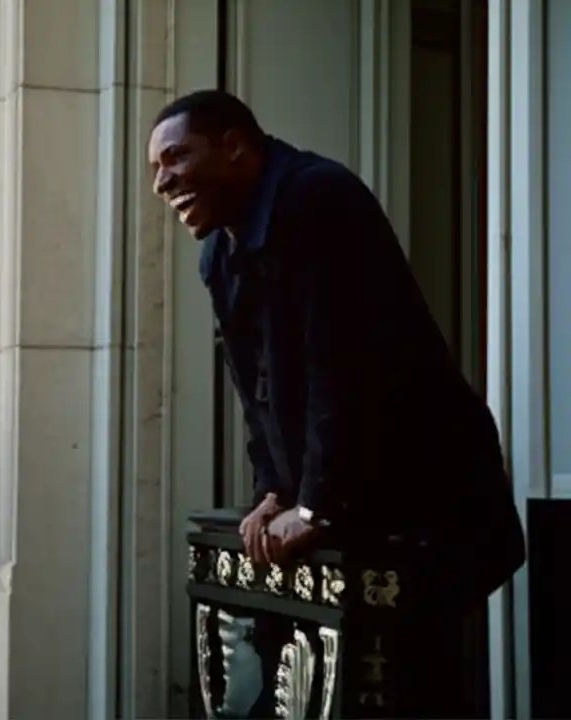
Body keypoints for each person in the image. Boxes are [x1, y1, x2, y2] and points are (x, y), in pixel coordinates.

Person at [148, 90, 525, 716]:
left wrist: (316, 504)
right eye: (156, 169)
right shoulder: (219, 250)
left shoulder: (317, 197)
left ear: (235, 147)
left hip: (426, 500)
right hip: (358, 497)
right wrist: (274, 489)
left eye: (175, 159)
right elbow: (255, 385)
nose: (162, 182)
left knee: (411, 688)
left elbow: (345, 362)